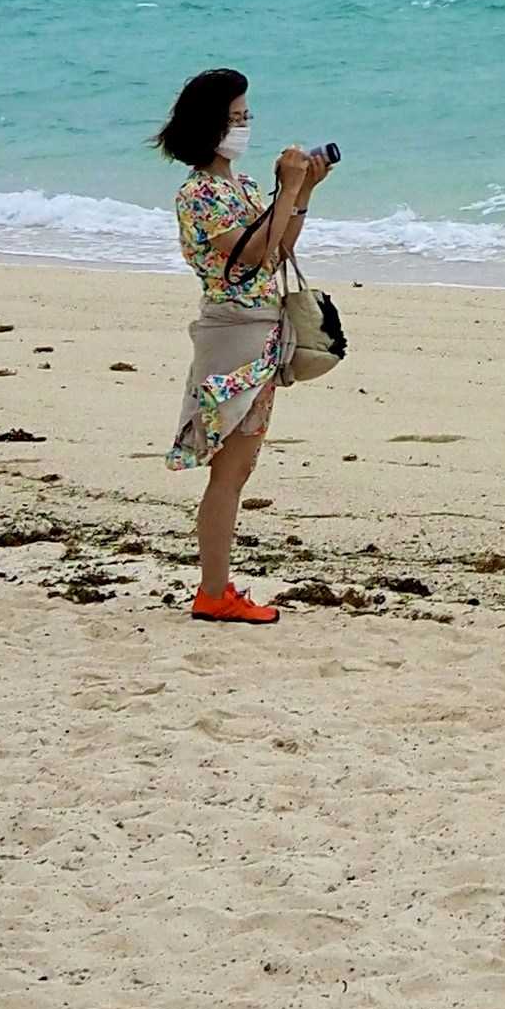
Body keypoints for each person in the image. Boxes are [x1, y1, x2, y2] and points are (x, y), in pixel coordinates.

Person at [157, 64, 334, 624]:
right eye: (236, 117)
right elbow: (250, 255)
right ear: (210, 126)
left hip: (261, 328)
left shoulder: (244, 186)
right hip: (233, 334)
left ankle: (216, 588)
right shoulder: (198, 195)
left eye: (247, 115)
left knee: (239, 467)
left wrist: (302, 193)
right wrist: (286, 190)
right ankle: (213, 592)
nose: (244, 126)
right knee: (229, 470)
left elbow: (279, 249)